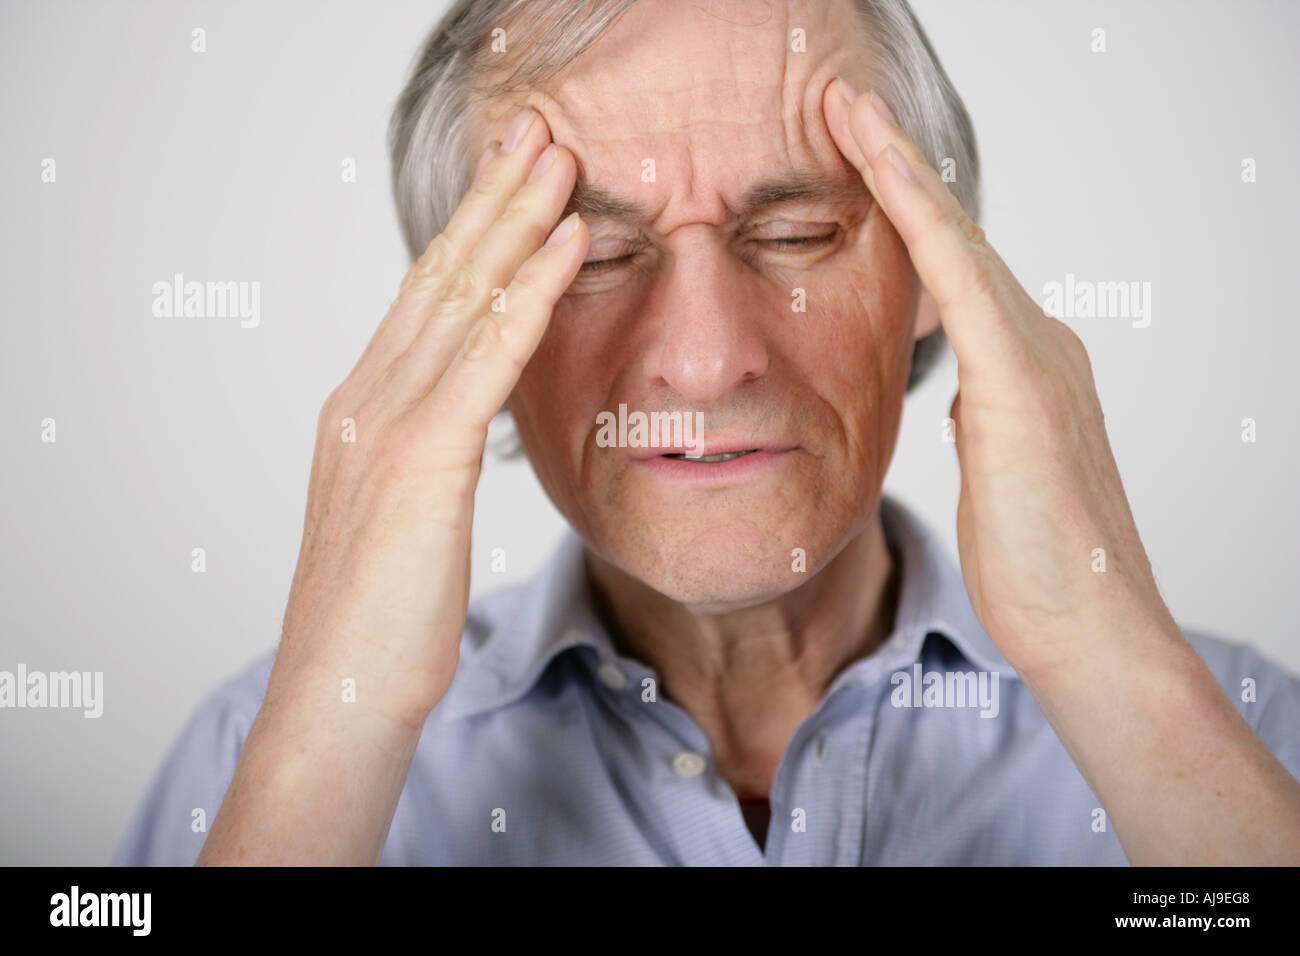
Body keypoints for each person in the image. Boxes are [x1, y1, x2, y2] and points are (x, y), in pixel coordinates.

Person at [114, 0, 1300, 866]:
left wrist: (1115, 667)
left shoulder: (1241, 735)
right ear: (468, 327)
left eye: (793, 236)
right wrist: (336, 729)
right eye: (597, 256)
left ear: (945, 272)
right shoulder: (257, 759)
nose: (703, 354)